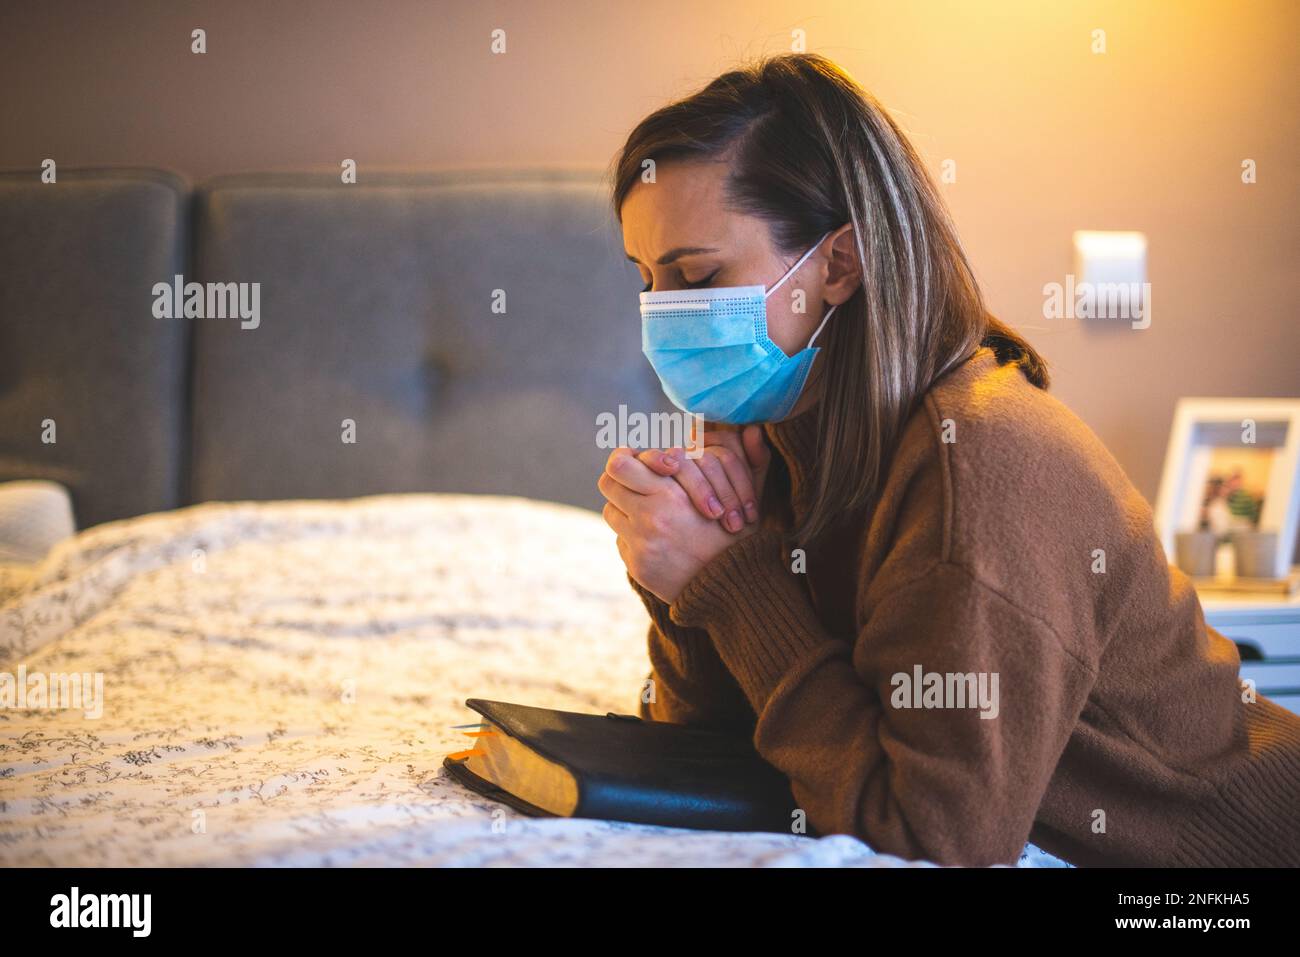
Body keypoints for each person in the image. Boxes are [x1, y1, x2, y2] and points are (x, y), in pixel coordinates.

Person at [596, 52, 1300, 867]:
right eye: (646, 281)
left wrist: (734, 580)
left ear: (839, 264)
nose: (661, 319)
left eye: (694, 276)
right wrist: (686, 581)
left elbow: (935, 843)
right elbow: (729, 754)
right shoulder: (785, 432)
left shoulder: (983, 466)